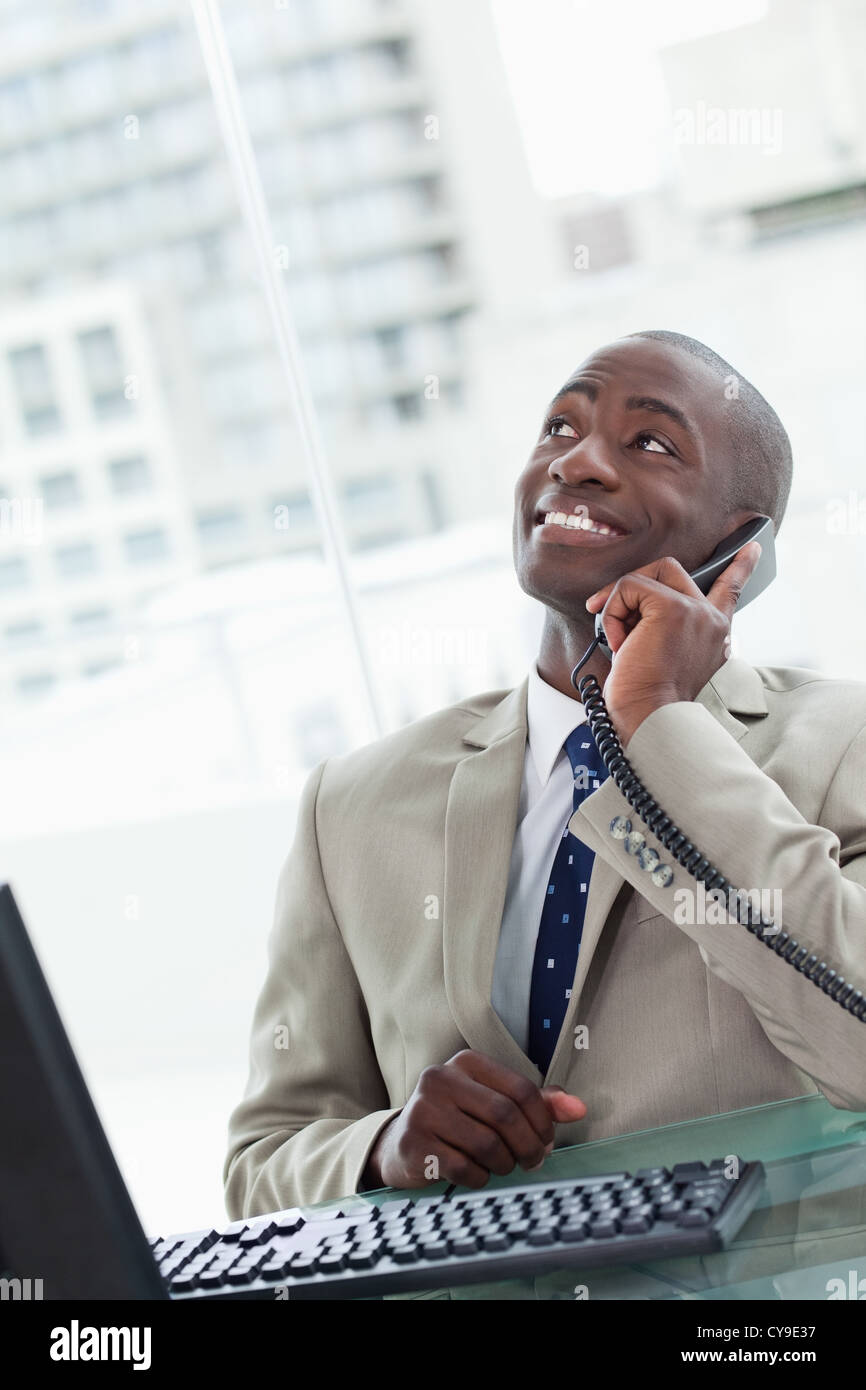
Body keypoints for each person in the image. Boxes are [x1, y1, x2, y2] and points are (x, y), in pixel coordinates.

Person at [224, 330, 866, 1216]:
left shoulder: (844, 746)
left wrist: (658, 727)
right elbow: (261, 1166)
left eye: (650, 443)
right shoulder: (353, 806)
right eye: (559, 428)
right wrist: (381, 1147)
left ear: (741, 549)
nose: (579, 463)